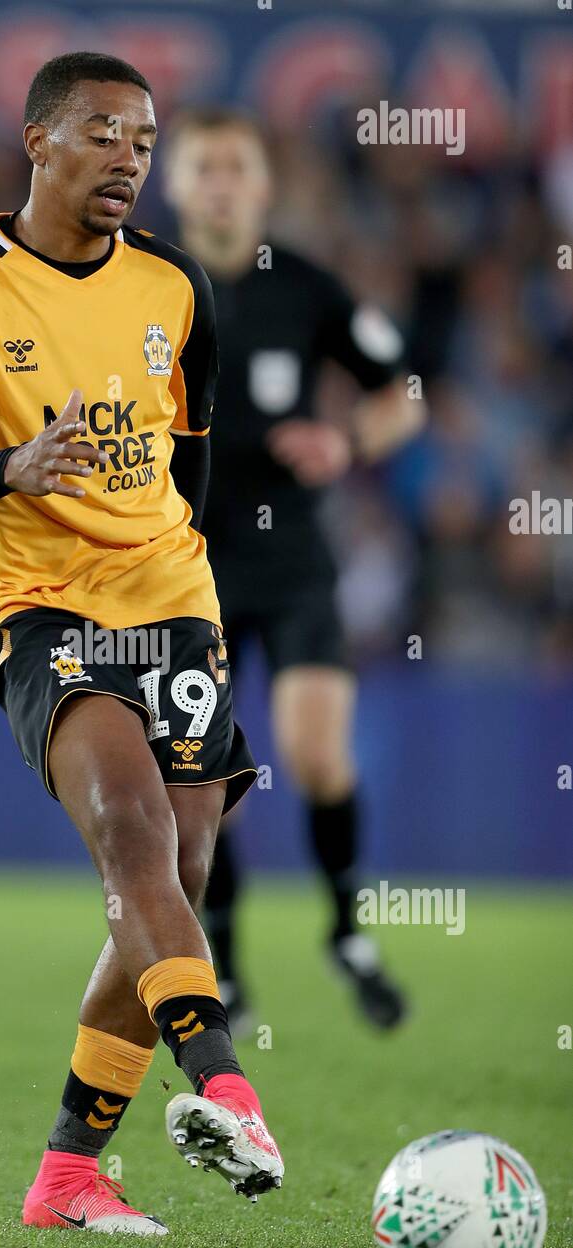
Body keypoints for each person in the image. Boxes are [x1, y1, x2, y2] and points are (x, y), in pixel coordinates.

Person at [0, 55, 283, 1236]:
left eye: (144, 141)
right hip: (37, 599)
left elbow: (195, 450)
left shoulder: (173, 283)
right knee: (132, 828)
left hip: (170, 595)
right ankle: (228, 1088)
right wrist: (12, 467)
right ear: (37, 140)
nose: (128, 157)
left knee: (179, 875)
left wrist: (182, 571)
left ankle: (68, 1173)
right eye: (103, 133)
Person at [164, 108, 426, 1032]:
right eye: (204, 168)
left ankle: (347, 930)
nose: (221, 183)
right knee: (208, 785)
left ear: (264, 186)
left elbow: (406, 393)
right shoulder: (142, 286)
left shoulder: (305, 286)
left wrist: (346, 437)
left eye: (237, 166)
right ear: (176, 183)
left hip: (292, 561)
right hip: (184, 569)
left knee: (316, 759)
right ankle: (226, 966)